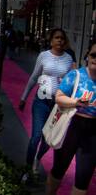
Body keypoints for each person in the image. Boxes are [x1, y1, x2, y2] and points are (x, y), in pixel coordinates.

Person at [42, 39, 96, 195]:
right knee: (59, 168)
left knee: (84, 177)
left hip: (93, 132)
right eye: (93, 55)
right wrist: (77, 102)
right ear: (87, 56)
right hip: (72, 125)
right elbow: (59, 97)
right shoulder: (77, 75)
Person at [20, 28, 75, 184]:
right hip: (41, 102)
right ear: (51, 40)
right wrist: (24, 97)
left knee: (47, 140)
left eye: (62, 39)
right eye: (56, 38)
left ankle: (37, 160)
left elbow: (70, 83)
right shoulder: (43, 56)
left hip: (57, 106)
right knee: (36, 137)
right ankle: (27, 169)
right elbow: (33, 77)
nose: (59, 41)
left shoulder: (68, 59)